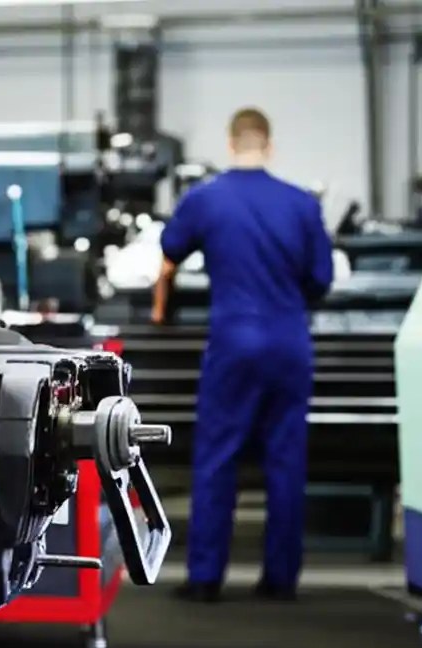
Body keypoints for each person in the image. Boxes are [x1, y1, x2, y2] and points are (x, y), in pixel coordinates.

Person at [151, 108, 334, 602]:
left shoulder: (206, 199)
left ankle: (206, 578)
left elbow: (170, 249)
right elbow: (321, 279)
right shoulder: (302, 204)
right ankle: (280, 579)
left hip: (233, 340)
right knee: (285, 461)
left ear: (231, 145)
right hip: (289, 341)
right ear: (269, 146)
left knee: (217, 458)